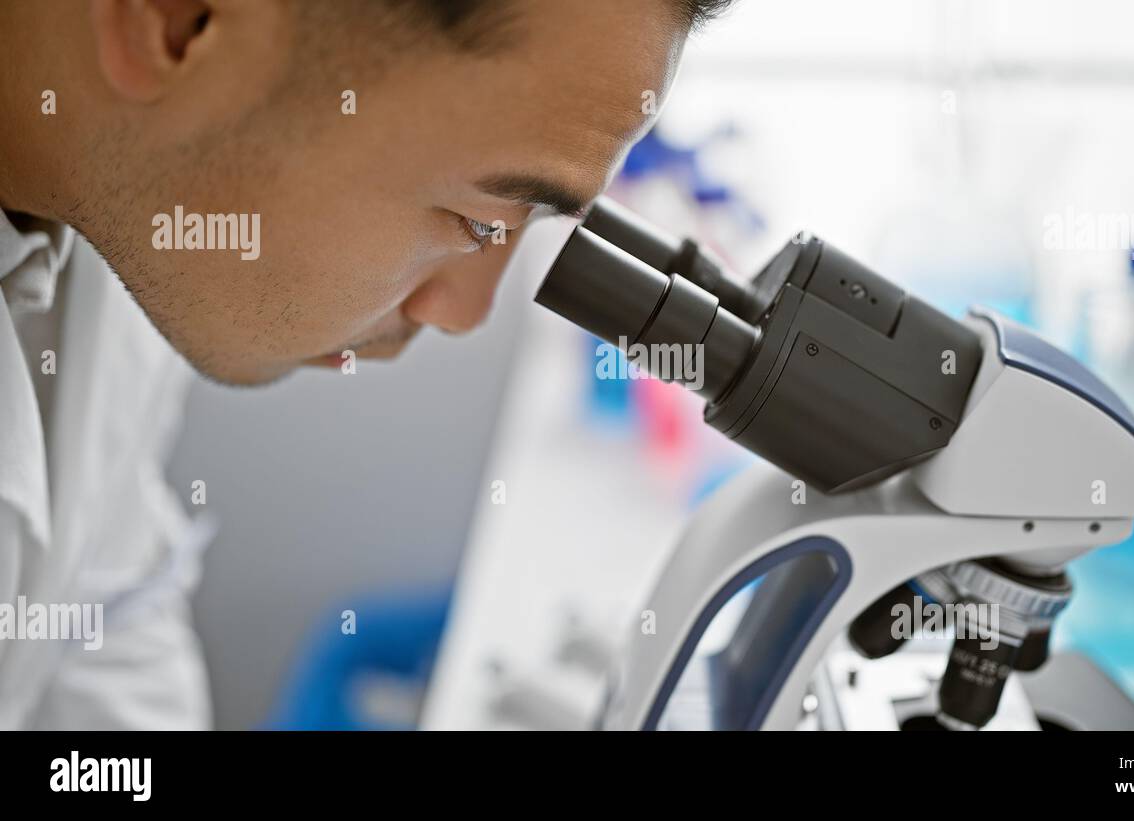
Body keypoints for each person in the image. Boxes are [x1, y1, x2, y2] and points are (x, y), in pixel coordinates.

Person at [0, 0, 733, 729]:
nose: (462, 314)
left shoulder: (123, 216)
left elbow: (101, 611)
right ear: (176, 25)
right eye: (483, 220)